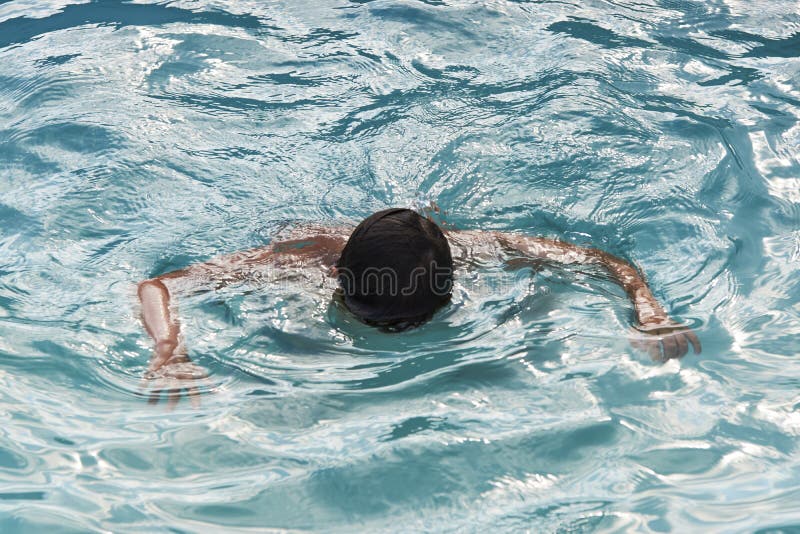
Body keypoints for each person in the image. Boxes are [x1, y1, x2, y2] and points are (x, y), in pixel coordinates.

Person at [138, 207, 700, 406]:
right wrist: (168, 349)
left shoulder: (484, 248)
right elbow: (156, 286)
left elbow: (606, 262)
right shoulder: (299, 260)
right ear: (334, 277)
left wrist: (647, 308)